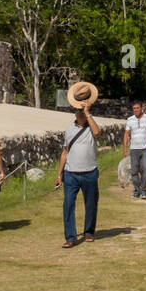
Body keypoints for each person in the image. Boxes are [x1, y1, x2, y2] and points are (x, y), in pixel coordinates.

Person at [56, 103, 100, 248]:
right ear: (75, 114)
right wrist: (58, 174)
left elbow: (97, 133)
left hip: (90, 172)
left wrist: (88, 113)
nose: (80, 114)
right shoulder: (69, 131)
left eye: (83, 112)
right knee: (68, 205)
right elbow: (64, 152)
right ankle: (70, 237)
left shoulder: (91, 126)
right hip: (71, 173)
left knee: (91, 204)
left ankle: (89, 232)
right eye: (79, 112)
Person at [122, 100, 146, 200]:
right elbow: (126, 134)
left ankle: (144, 191)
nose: (136, 110)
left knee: (145, 169)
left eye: (137, 108)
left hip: (145, 148)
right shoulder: (130, 119)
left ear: (142, 108)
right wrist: (125, 148)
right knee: (134, 171)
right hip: (134, 149)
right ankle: (137, 190)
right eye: (134, 109)